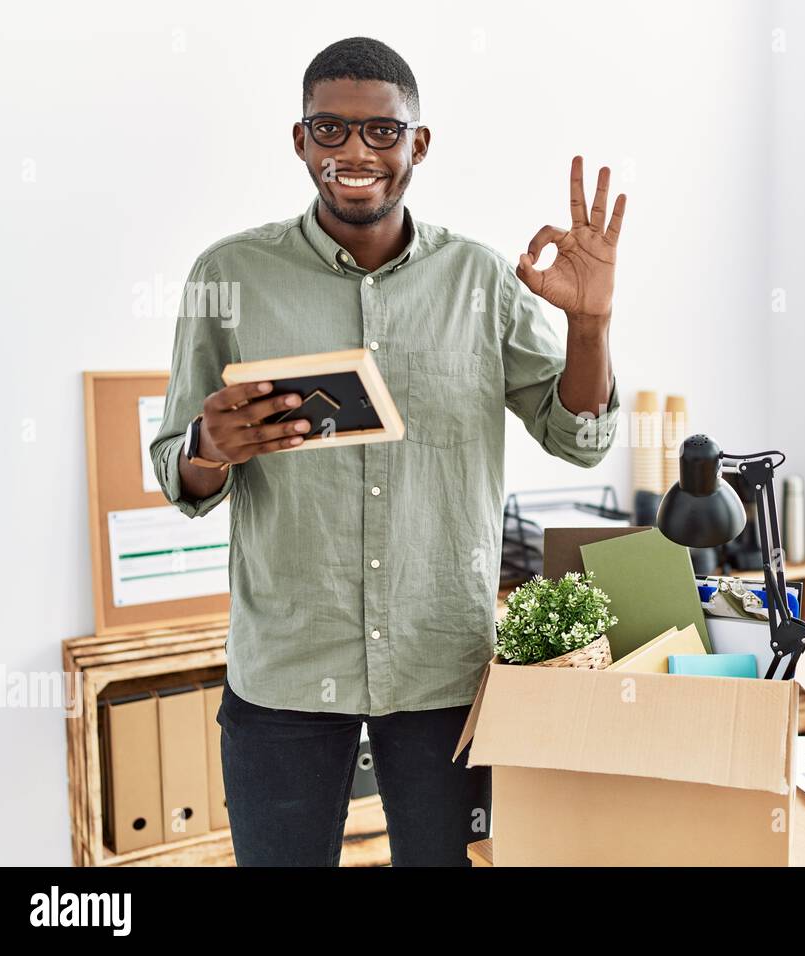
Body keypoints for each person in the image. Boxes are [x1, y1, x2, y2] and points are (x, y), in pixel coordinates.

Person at [149, 36, 625, 866]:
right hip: (287, 667)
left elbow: (579, 436)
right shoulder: (228, 274)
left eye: (381, 132)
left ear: (418, 144)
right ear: (300, 141)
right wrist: (208, 445)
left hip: (444, 664)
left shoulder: (481, 279)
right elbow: (178, 473)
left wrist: (589, 325)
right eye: (329, 131)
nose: (355, 152)